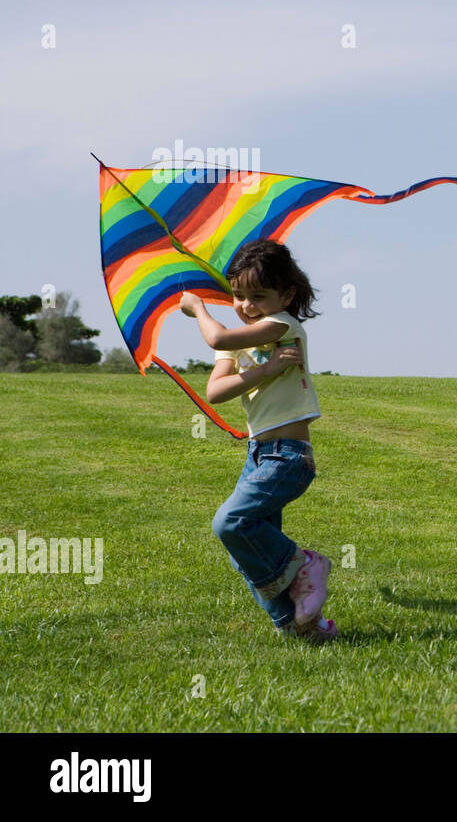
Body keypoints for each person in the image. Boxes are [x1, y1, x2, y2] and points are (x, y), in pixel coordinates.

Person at [179, 239, 337, 643]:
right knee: (246, 550)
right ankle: (300, 627)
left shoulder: (284, 324)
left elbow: (217, 339)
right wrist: (261, 373)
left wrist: (199, 309)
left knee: (230, 523)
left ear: (285, 295)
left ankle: (306, 564)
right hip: (259, 455)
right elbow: (216, 392)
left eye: (257, 296)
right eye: (238, 295)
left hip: (288, 457)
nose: (246, 306)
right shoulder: (243, 340)